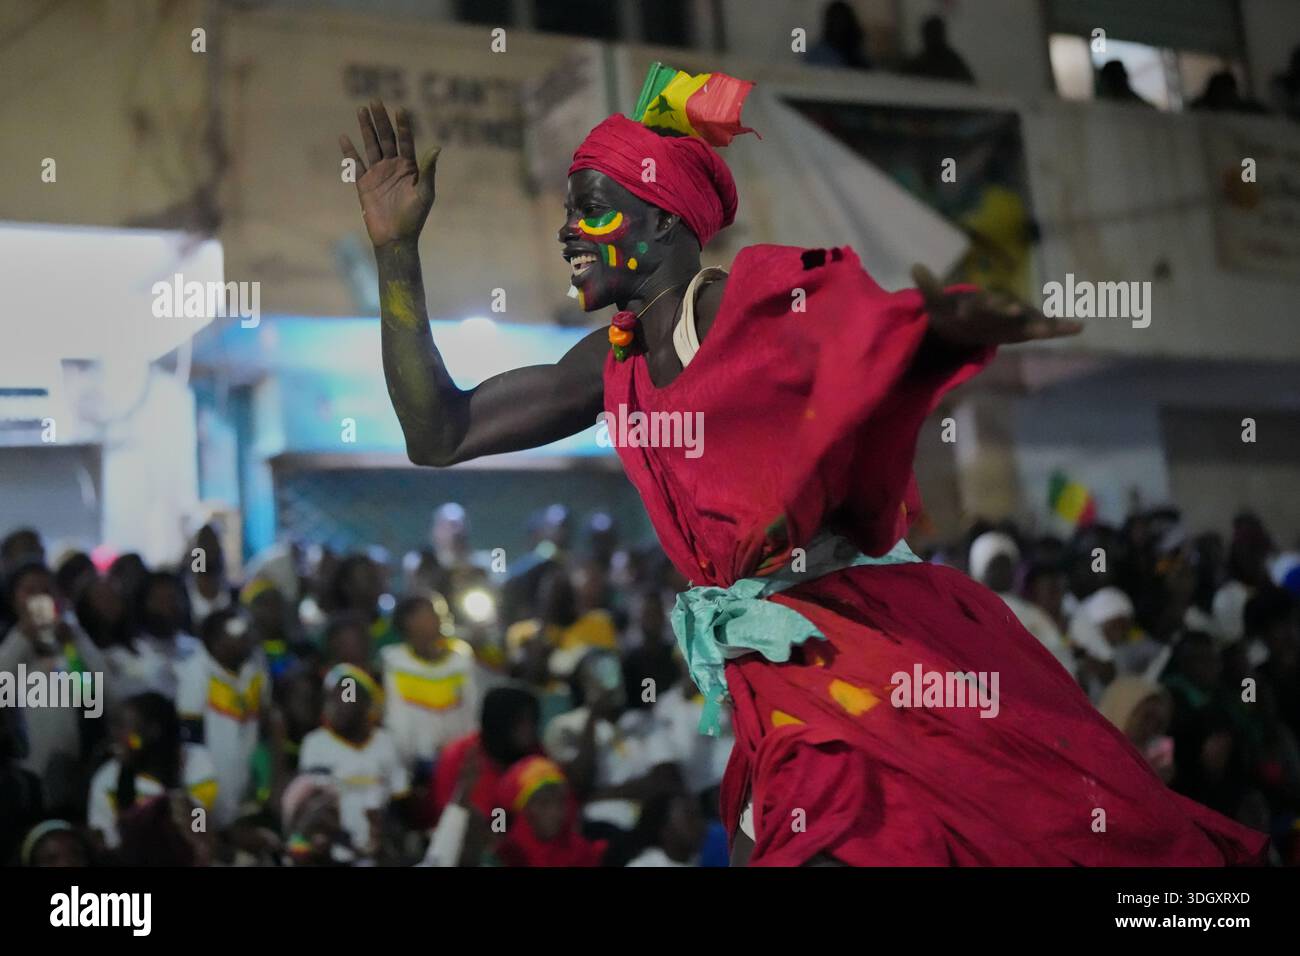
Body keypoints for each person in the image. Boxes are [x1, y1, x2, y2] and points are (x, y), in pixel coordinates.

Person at [339, 74, 1263, 864]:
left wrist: (942, 329)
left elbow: (859, 328)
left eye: (590, 206)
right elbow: (439, 432)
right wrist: (395, 254)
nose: (568, 232)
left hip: (854, 641)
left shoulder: (743, 299)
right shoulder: (607, 361)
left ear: (661, 219)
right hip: (766, 675)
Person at [0, 561, 108, 813]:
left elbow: (94, 697)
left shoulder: (69, 642)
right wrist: (23, 635)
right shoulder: (7, 640)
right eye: (29, 590)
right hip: (19, 773)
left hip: (71, 770)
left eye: (46, 590)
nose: (39, 597)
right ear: (13, 597)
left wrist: (73, 644)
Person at [299, 664, 408, 858]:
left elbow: (399, 804)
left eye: (346, 695)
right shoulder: (315, 743)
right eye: (332, 697)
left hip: (380, 852)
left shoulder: (386, 743)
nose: (337, 704)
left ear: (366, 702)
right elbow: (313, 804)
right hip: (333, 853)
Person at [176, 607, 269, 829]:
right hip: (210, 779)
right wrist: (200, 788)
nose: (247, 639)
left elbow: (262, 721)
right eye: (238, 635)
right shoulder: (196, 672)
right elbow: (191, 741)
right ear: (215, 641)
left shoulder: (256, 669)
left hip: (245, 775)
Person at [87, 692, 218, 849]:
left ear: (153, 731)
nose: (115, 735)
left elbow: (200, 832)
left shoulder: (198, 765)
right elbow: (106, 844)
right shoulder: (107, 780)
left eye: (122, 726)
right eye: (114, 726)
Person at [381, 595, 481, 770]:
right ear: (408, 622)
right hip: (409, 761)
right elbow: (394, 714)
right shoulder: (393, 661)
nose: (438, 619)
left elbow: (471, 709)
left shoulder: (461, 659)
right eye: (430, 614)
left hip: (456, 759)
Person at [428, 685, 542, 825]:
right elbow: (447, 819)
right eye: (521, 721)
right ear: (500, 721)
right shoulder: (460, 757)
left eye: (532, 720)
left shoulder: (537, 756)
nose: (529, 729)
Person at [968, 531, 1075, 676]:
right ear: (980, 569)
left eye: (1006, 565)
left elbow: (1057, 655)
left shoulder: (1032, 613)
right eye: (995, 566)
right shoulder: (970, 611)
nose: (1002, 572)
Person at [495, 755, 607, 867]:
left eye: (560, 801)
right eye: (543, 803)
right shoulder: (508, 855)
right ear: (524, 810)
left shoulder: (579, 849)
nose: (555, 811)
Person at [106, 571, 200, 700]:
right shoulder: (122, 657)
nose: (169, 607)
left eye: (173, 599)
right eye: (160, 600)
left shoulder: (197, 649)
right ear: (143, 604)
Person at [625, 787, 707, 866]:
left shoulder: (698, 860)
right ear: (664, 829)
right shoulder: (644, 864)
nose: (700, 825)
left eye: (699, 816)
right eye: (690, 818)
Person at [901, 16, 974, 85]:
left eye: (933, 33)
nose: (931, 37)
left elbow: (967, 83)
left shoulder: (951, 61)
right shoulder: (920, 61)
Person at [806, 1, 872, 71]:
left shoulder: (857, 54)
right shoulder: (817, 54)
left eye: (842, 21)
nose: (839, 26)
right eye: (836, 21)